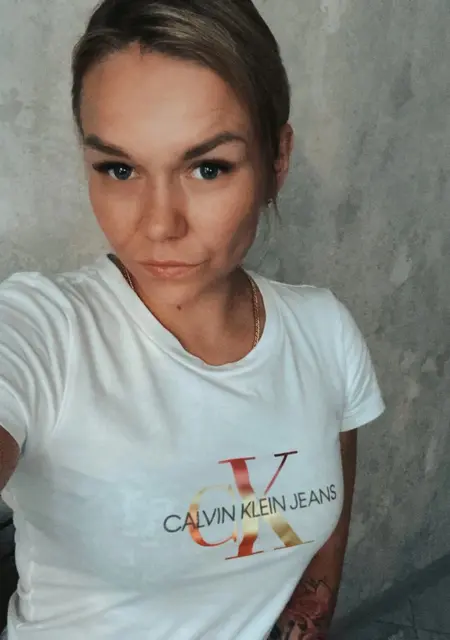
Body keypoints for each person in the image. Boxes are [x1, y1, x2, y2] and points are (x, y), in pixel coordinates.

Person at [0, 0, 385, 638]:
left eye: (208, 168)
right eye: (119, 169)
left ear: (277, 160)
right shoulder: (45, 331)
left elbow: (321, 553)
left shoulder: (324, 332)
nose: (159, 224)